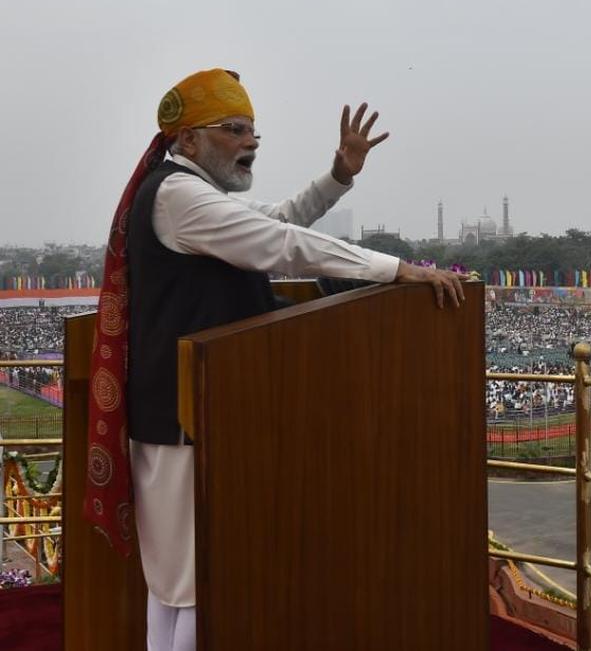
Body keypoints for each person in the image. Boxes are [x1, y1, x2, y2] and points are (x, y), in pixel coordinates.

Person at [85, 68, 469, 651]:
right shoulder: (177, 194)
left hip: (183, 415)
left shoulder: (190, 192)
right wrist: (396, 269)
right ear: (187, 139)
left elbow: (278, 222)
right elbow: (284, 244)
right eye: (234, 130)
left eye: (253, 131)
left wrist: (339, 175)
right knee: (194, 587)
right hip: (183, 419)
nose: (251, 142)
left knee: (174, 587)